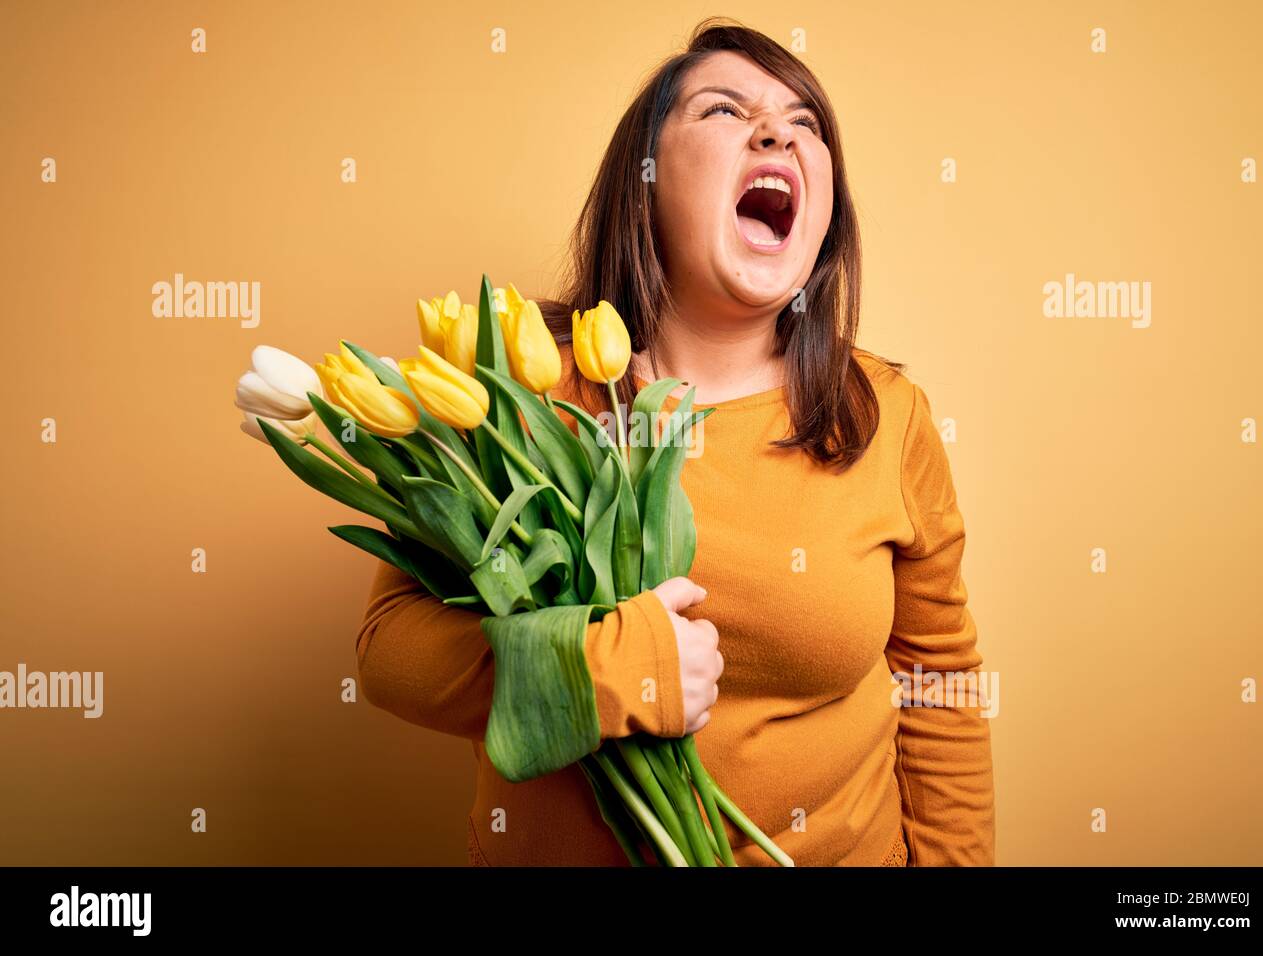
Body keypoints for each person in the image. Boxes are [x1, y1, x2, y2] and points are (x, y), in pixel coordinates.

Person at [355, 17, 995, 866]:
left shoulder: (884, 413)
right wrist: (598, 672)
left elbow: (937, 682)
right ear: (645, 182)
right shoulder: (519, 385)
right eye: (725, 111)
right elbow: (390, 649)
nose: (778, 130)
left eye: (806, 123)